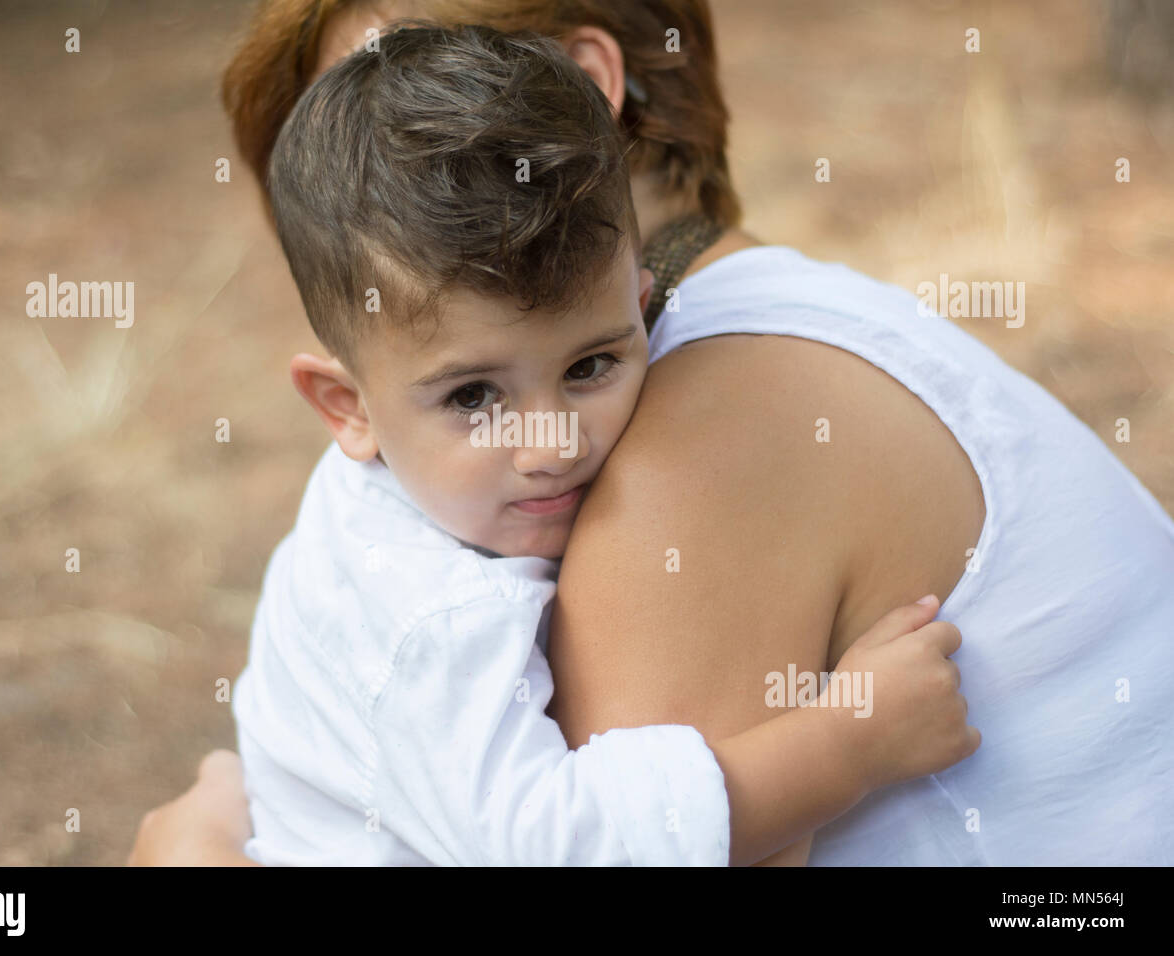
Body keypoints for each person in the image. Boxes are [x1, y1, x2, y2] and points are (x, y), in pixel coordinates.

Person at [131, 0, 1174, 866]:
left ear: (587, 78)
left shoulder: (704, 430)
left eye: (433, 75)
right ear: (346, 404)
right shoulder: (753, 336)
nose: (377, 162)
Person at [235, 23, 975, 866]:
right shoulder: (429, 617)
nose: (551, 446)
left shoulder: (436, 494)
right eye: (473, 396)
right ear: (346, 408)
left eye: (591, 365)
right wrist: (848, 745)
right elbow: (553, 847)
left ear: (642, 305)